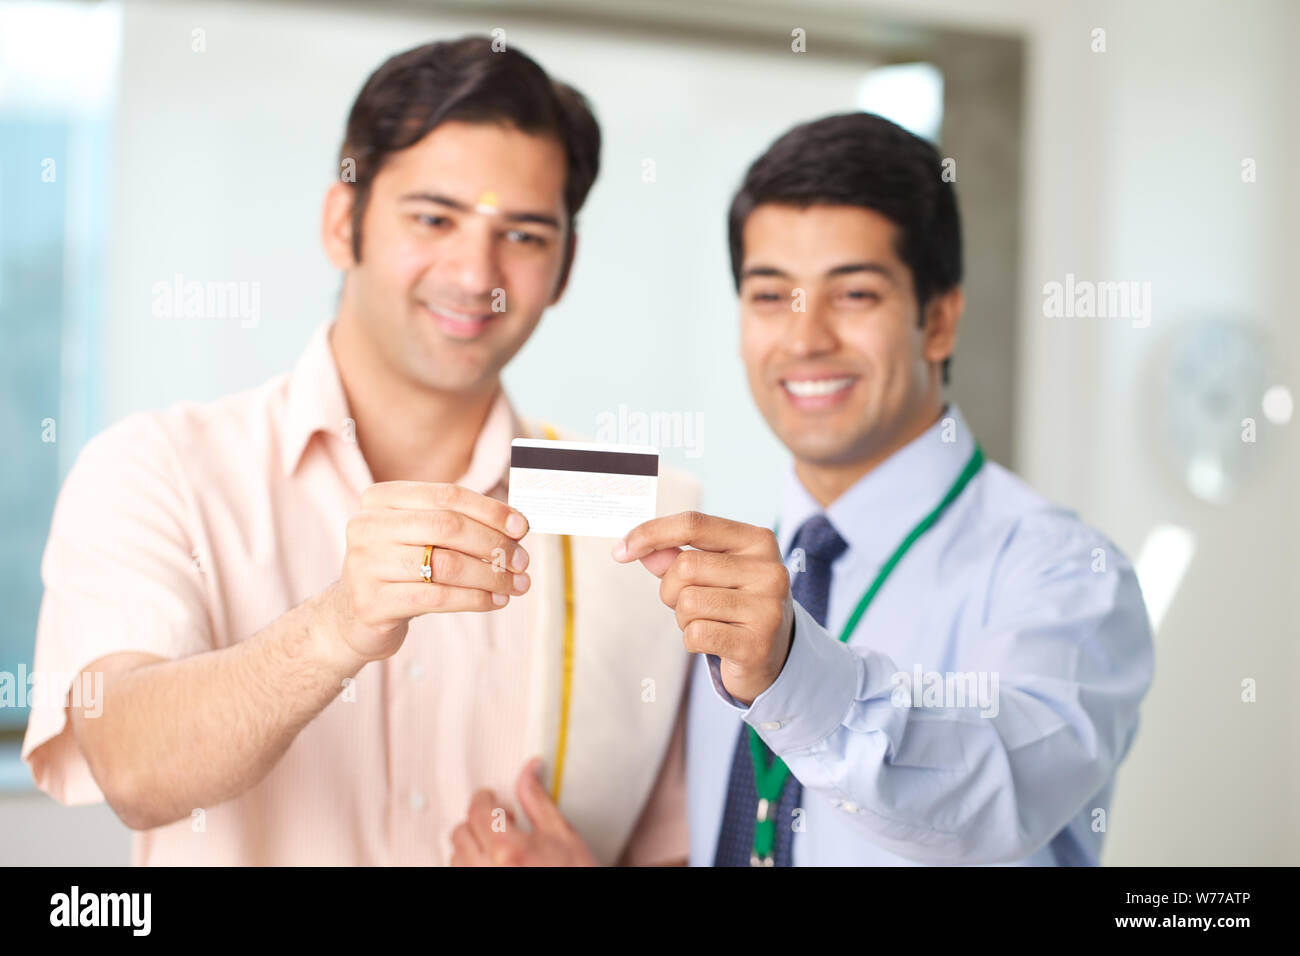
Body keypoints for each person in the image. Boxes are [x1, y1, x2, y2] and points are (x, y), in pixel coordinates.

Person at [21, 35, 696, 867]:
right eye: (434, 218)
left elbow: (669, 839)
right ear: (344, 222)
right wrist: (336, 625)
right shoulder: (158, 467)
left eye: (522, 235)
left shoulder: (636, 507)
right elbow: (129, 766)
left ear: (563, 268)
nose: (475, 270)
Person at [464, 111, 1154, 867]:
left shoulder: (1063, 572)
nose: (805, 338)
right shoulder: (728, 584)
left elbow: (995, 794)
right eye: (770, 296)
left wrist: (795, 674)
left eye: (854, 294)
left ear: (940, 320)